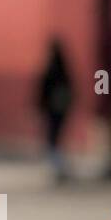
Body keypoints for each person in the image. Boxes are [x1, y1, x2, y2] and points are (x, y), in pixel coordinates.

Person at [36, 37, 74, 182]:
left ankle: (56, 166)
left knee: (52, 137)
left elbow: (43, 90)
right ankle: (57, 166)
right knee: (56, 137)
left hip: (53, 110)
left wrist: (40, 105)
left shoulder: (51, 69)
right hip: (60, 109)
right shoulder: (64, 70)